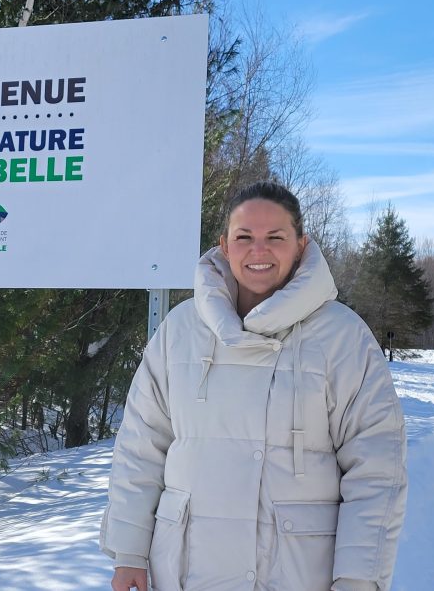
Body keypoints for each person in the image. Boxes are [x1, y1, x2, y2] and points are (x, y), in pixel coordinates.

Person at [99, 181, 407, 591]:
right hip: (185, 570)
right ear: (225, 246)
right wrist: (129, 551)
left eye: (275, 238)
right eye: (244, 237)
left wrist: (358, 578)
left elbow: (376, 468)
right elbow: (140, 448)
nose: (258, 250)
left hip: (297, 572)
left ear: (301, 245)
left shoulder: (342, 336)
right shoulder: (181, 330)